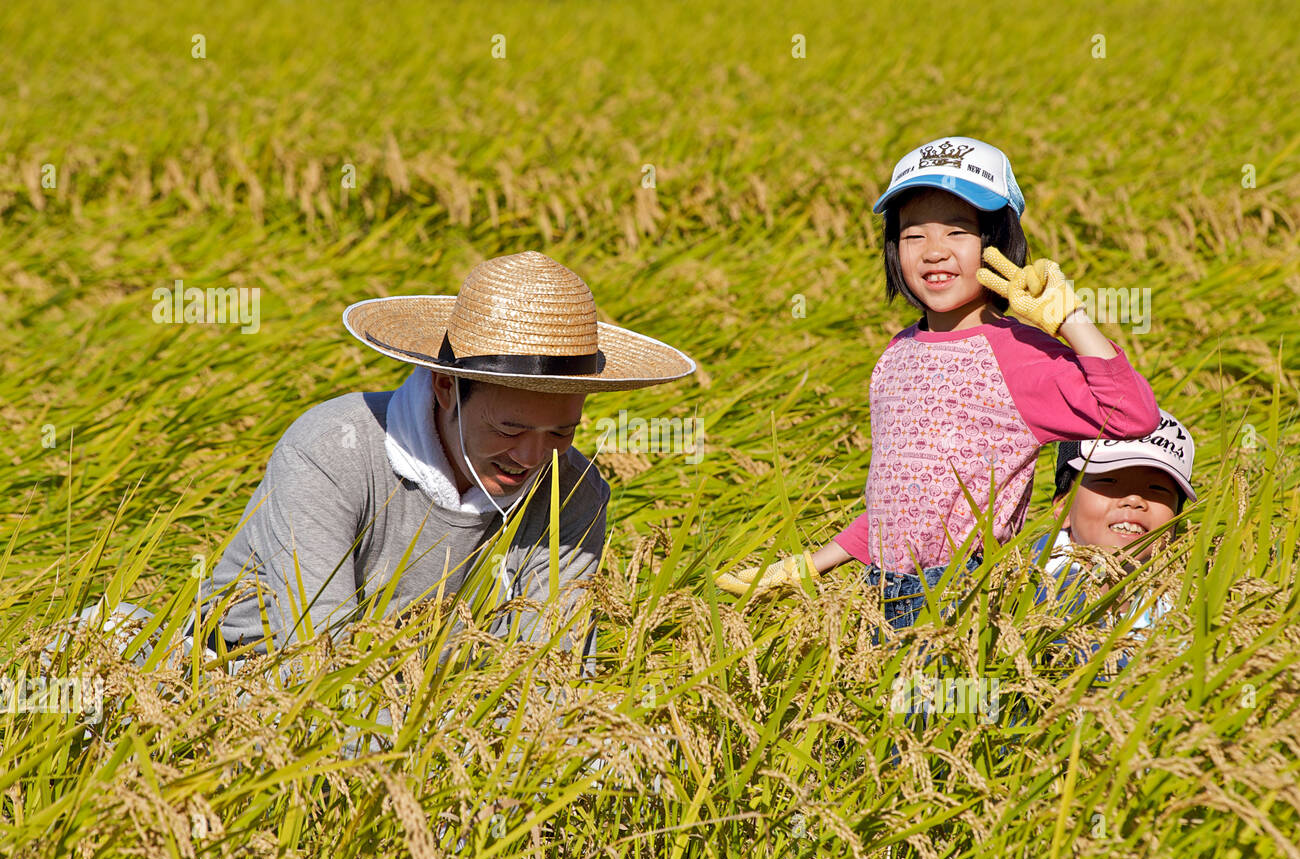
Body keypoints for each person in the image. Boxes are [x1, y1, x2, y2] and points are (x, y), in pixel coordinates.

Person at [716, 136, 1161, 633]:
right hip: (879, 591)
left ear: (998, 244)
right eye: (912, 235)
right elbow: (899, 502)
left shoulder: (1022, 355)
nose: (933, 253)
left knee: (952, 712)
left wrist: (1070, 320)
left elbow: (1131, 415)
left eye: (957, 232)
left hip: (963, 595)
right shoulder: (897, 355)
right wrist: (808, 566)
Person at [178, 250, 696, 663]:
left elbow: (550, 668)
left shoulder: (574, 492)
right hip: (251, 673)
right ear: (446, 387)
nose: (536, 455)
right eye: (508, 428)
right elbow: (316, 654)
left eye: (562, 431)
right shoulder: (331, 451)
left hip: (440, 697)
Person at [1031, 409, 1197, 671]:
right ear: (1063, 508)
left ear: (1176, 519)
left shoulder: (1185, 608)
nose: (1134, 500)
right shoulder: (1021, 590)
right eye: (1108, 480)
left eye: (1157, 489)